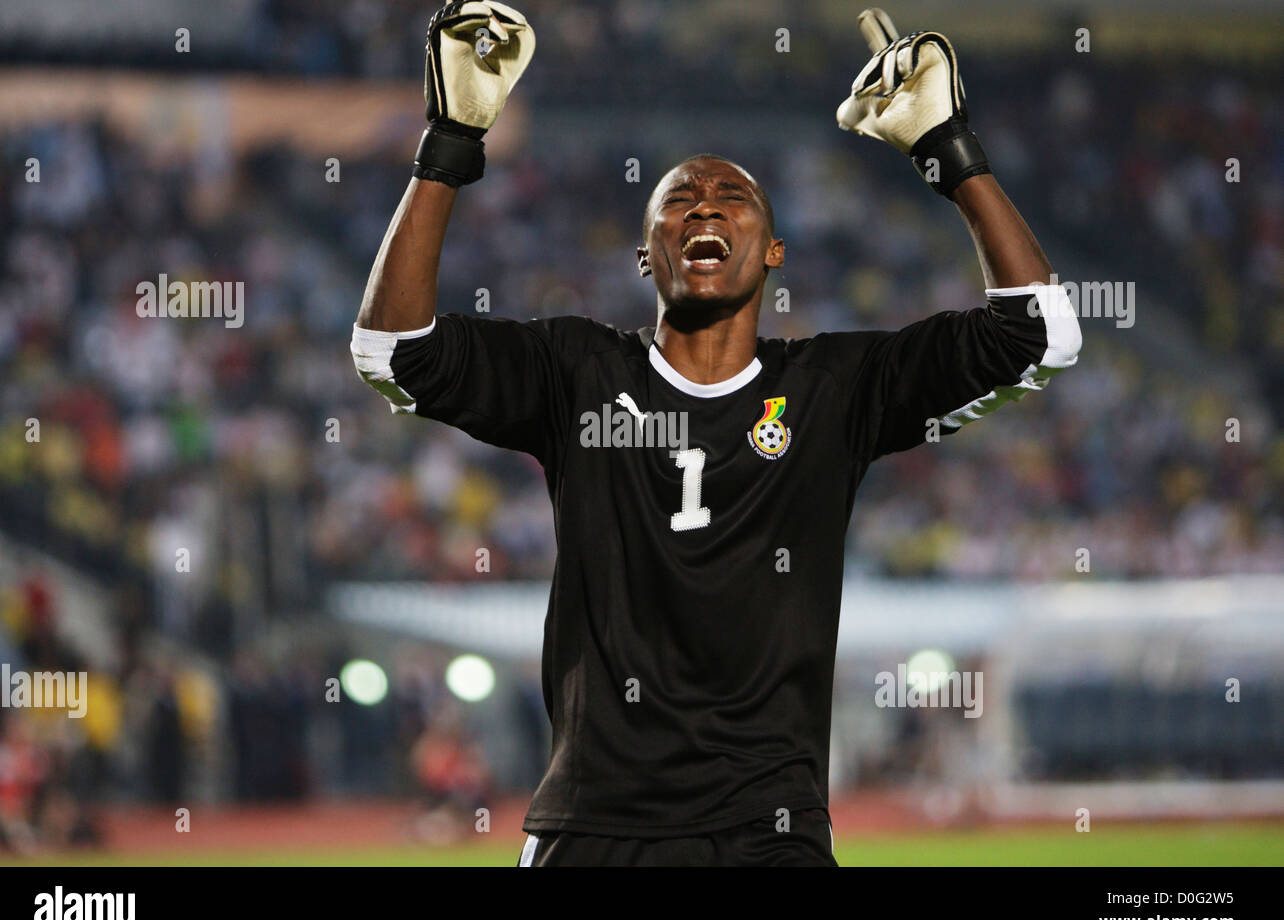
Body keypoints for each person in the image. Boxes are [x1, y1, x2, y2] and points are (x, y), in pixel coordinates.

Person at [351, 3, 1081, 865]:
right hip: (596, 824)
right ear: (645, 254)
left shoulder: (833, 389)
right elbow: (391, 350)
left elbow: (1041, 334)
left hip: (770, 828)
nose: (705, 207)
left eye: (732, 197)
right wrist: (450, 140)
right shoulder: (574, 371)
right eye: (679, 201)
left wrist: (949, 150)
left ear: (773, 251)